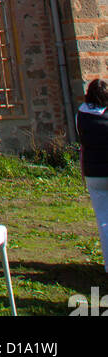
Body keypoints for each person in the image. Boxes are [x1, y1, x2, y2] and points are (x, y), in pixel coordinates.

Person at [76, 77, 108, 272]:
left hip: (93, 173)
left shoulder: (81, 114)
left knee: (104, 221)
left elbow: (82, 144)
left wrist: (82, 171)